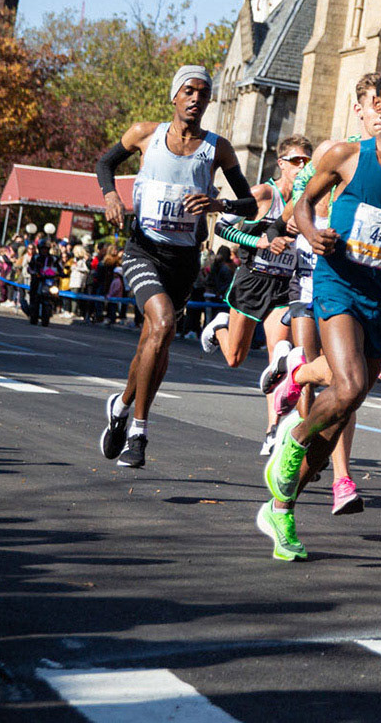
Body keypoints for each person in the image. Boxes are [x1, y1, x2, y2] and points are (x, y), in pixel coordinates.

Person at [260, 65, 381, 563]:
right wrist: (312, 233)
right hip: (339, 284)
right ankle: (292, 440)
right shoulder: (345, 156)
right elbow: (302, 205)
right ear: (379, 104)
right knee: (347, 388)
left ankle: (280, 509)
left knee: (341, 416)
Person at [95, 66, 255, 470]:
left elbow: (250, 205)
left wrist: (219, 204)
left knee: (156, 340)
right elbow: (105, 163)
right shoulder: (145, 134)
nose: (195, 98)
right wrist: (111, 197)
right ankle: (139, 433)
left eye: (203, 93)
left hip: (184, 260)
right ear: (174, 96)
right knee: (163, 324)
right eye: (188, 91)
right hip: (143, 250)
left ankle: (122, 405)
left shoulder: (218, 149)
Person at [201, 137, 311, 451]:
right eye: (296, 160)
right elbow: (221, 227)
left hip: (283, 286)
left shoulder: (308, 200)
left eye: (307, 161)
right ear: (282, 163)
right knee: (234, 358)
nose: (302, 166)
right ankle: (220, 326)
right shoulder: (263, 194)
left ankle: (273, 431)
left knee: (280, 357)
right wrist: (258, 241)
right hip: (252, 281)